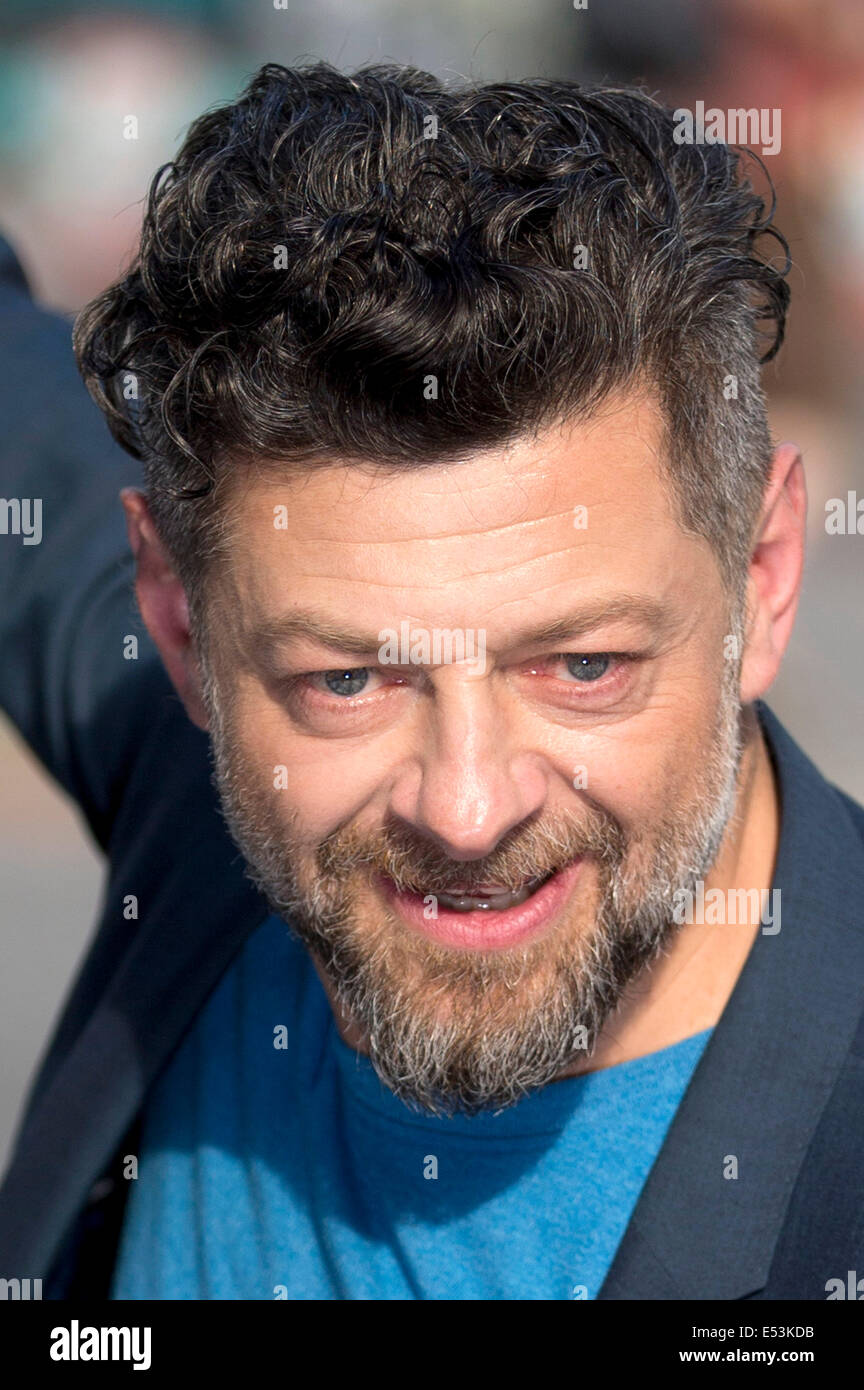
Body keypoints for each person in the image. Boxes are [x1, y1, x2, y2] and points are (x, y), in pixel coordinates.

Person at [1, 60, 862, 1301]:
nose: (466, 811)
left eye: (583, 664)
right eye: (348, 680)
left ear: (763, 583)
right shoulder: (183, 767)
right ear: (182, 630)